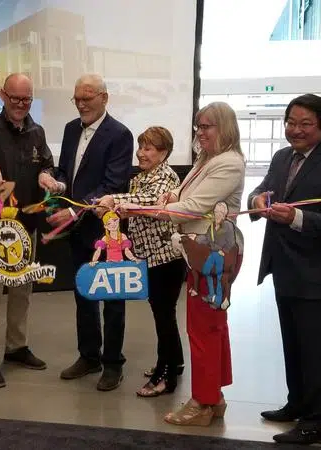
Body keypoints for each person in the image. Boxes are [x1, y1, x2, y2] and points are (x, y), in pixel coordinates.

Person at [121, 102, 245, 425]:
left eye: (207, 127)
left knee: (204, 329)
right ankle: (213, 397)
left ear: (225, 128)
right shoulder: (209, 159)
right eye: (198, 127)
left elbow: (191, 207)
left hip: (212, 253)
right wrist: (169, 199)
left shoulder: (227, 163)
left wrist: (146, 209)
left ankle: (202, 402)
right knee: (212, 326)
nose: (200, 133)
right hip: (201, 251)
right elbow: (179, 193)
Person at [248, 94, 321, 445]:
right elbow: (261, 189)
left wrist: (296, 217)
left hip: (318, 273)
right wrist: (257, 201)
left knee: (314, 348)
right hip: (284, 267)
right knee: (292, 343)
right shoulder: (283, 157)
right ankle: (296, 403)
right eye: (291, 122)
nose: (295, 130)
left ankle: (316, 420)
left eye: (305, 124)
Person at [0, 73, 60, 388]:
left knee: (22, 291)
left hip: (26, 226)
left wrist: (47, 175)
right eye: (14, 98)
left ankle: (16, 347)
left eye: (26, 99)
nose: (20, 104)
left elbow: (47, 164)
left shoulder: (37, 131)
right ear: (2, 95)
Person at [48, 73, 133, 391]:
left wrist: (73, 211)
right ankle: (89, 356)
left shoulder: (120, 135)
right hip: (78, 232)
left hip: (106, 233)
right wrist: (53, 180)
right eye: (77, 99)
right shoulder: (71, 129)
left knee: (112, 298)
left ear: (104, 98)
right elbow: (66, 173)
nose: (81, 105)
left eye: (87, 98)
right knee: (83, 294)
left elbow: (113, 185)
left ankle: (113, 364)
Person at [96, 126, 185, 397]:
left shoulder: (165, 177)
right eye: (141, 146)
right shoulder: (143, 176)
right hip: (150, 257)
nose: (141, 153)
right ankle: (174, 362)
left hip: (166, 258)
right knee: (163, 312)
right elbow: (137, 207)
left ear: (164, 153)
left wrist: (114, 199)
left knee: (163, 315)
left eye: (148, 148)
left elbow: (148, 202)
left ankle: (165, 376)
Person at [194, 201, 235, 309]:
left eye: (220, 212)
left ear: (224, 214)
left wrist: (224, 251)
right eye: (216, 212)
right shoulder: (211, 226)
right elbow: (206, 239)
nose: (217, 214)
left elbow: (231, 242)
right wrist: (195, 238)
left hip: (221, 254)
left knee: (219, 276)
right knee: (206, 271)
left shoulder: (228, 226)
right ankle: (211, 295)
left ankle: (217, 301)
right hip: (212, 253)